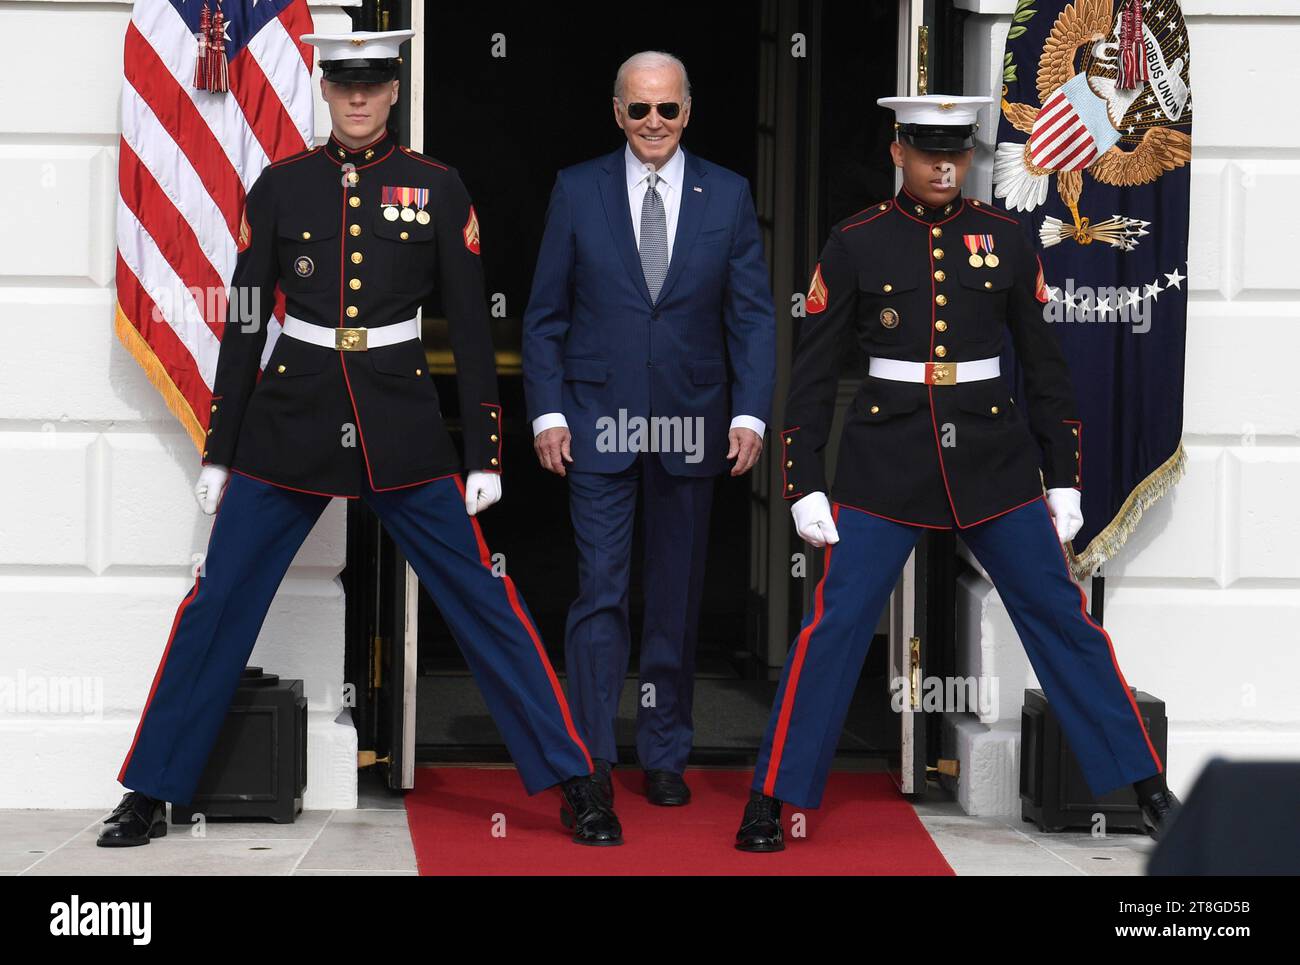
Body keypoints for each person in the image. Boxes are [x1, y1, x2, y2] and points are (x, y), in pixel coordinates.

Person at [100, 30, 613, 849]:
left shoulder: (437, 188)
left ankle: (575, 780)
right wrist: (220, 446)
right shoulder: (279, 188)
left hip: (400, 424)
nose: (359, 100)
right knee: (220, 597)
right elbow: (242, 325)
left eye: (372, 86)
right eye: (345, 88)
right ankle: (151, 788)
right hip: (290, 420)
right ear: (326, 92)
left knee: (482, 598)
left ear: (395, 89)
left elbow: (472, 338)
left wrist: (483, 452)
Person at [733, 94, 1180, 853]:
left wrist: (1064, 475)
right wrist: (803, 479)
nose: (945, 163)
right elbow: (811, 376)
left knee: (1061, 618)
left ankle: (1146, 787)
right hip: (885, 462)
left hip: (995, 462)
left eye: (958, 150)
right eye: (927, 148)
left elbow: (1044, 369)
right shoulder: (855, 240)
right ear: (897, 151)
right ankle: (773, 793)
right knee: (835, 625)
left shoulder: (1005, 237)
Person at [522, 51, 775, 830]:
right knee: (600, 592)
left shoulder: (727, 195)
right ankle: (590, 759)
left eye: (668, 109)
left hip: (693, 425)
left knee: (675, 598)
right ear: (617, 112)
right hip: (597, 423)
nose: (654, 124)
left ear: (689, 111)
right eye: (640, 111)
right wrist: (548, 413)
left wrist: (750, 413)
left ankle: (664, 752)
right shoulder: (577, 188)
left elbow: (753, 316)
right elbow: (545, 315)